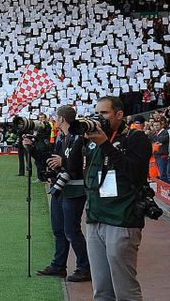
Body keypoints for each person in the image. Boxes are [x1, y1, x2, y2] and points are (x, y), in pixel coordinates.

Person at [82, 95, 153, 301]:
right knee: (101, 291)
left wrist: (106, 145)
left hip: (122, 219)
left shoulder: (135, 138)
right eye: (97, 113)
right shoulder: (94, 141)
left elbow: (134, 172)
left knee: (125, 291)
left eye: (104, 113)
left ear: (119, 115)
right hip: (96, 219)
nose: (99, 118)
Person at [36, 106, 90, 282]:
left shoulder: (78, 137)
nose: (54, 120)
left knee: (71, 230)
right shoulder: (62, 137)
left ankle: (85, 267)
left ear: (61, 119)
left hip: (74, 189)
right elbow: (53, 160)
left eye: (56, 117)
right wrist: (33, 148)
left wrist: (63, 161)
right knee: (59, 229)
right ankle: (59, 265)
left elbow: (80, 164)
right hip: (60, 188)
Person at [151, 117, 168, 182]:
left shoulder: (165, 132)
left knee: (163, 175)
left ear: (161, 125)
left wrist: (154, 137)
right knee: (158, 175)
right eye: (154, 125)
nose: (156, 127)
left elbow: (161, 139)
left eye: (157, 125)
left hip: (162, 156)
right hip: (155, 156)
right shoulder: (154, 134)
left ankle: (166, 190)